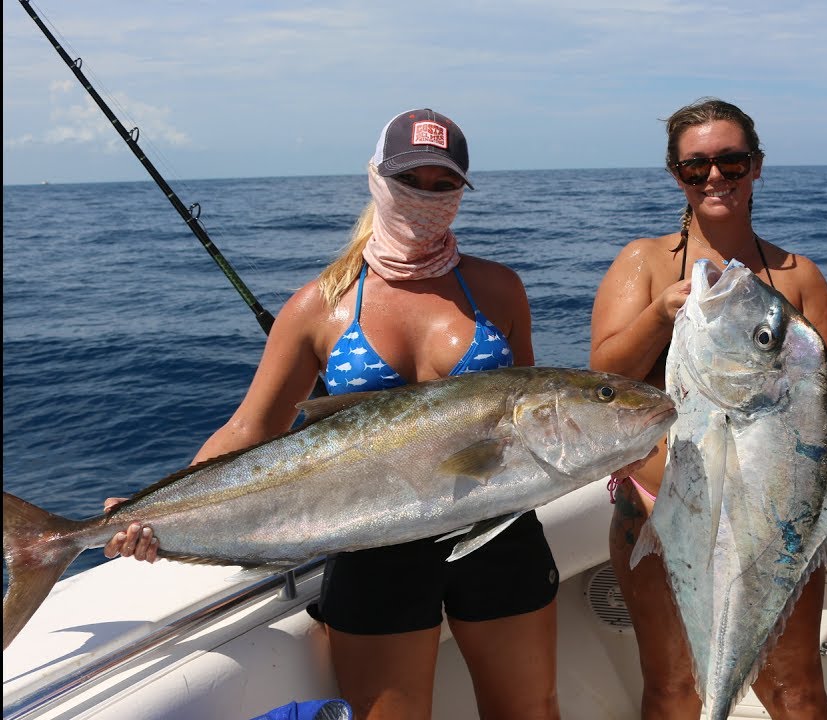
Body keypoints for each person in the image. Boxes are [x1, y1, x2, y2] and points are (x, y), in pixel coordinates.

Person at [104, 108, 561, 720]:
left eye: (443, 184)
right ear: (376, 178)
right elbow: (251, 428)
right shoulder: (318, 308)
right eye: (410, 181)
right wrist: (154, 509)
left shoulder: (500, 289)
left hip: (499, 530)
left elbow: (533, 404)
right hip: (373, 545)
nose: (426, 198)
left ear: (462, 191)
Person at [589, 98, 827, 720]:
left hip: (771, 516)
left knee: (797, 690)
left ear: (756, 166)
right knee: (674, 690)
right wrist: (658, 316)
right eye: (696, 166)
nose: (715, 177)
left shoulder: (798, 276)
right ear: (677, 175)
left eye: (731, 161)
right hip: (653, 511)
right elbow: (601, 381)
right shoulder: (644, 264)